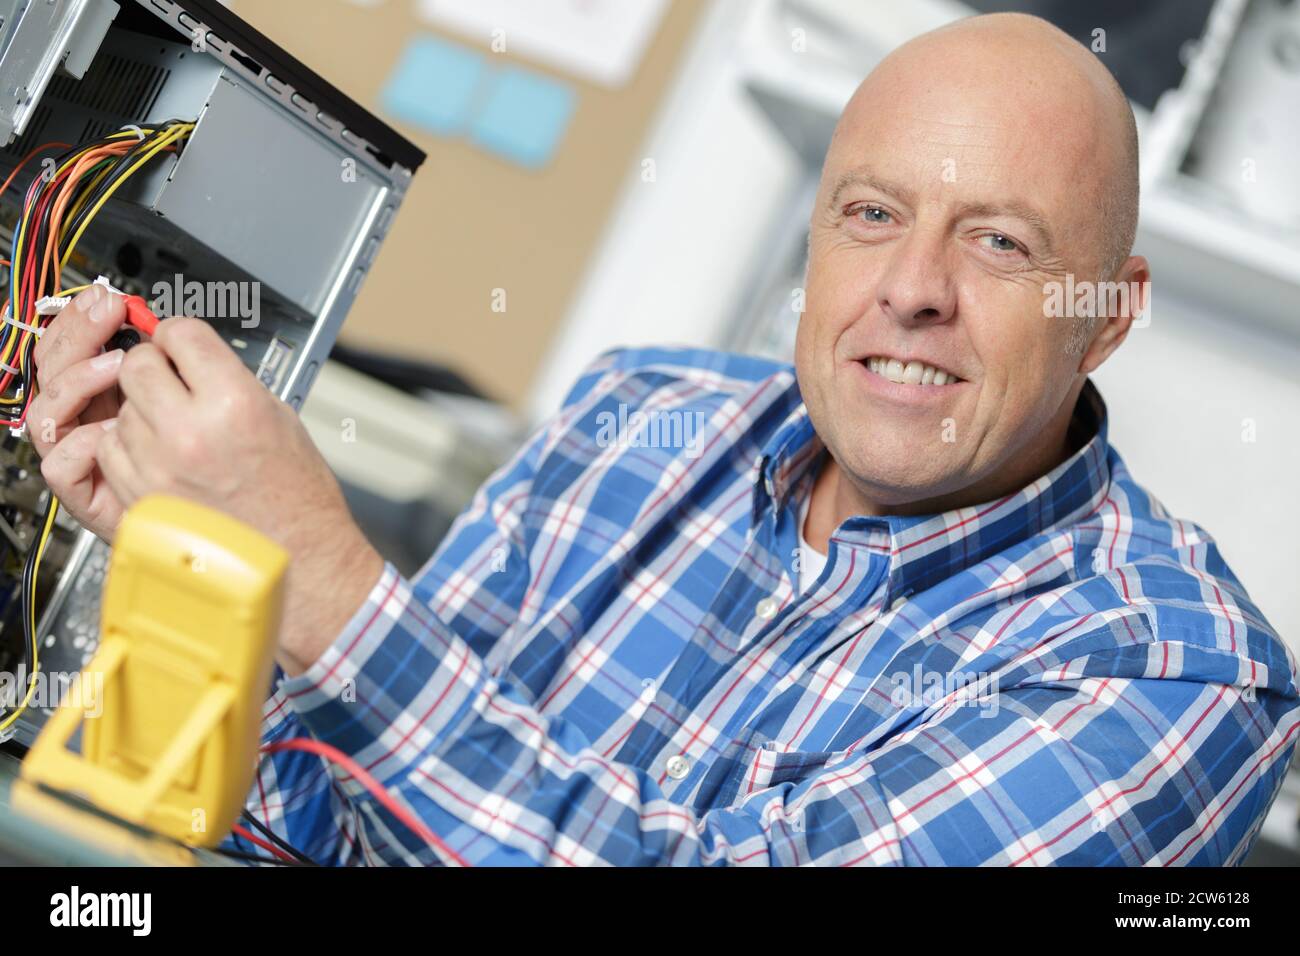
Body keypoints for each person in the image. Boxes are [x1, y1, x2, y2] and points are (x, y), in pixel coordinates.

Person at [29, 12, 1298, 865]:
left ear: (1107, 316)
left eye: (999, 242)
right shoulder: (637, 417)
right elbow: (330, 822)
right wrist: (197, 561)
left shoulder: (1172, 673)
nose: (911, 286)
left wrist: (324, 584)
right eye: (869, 212)